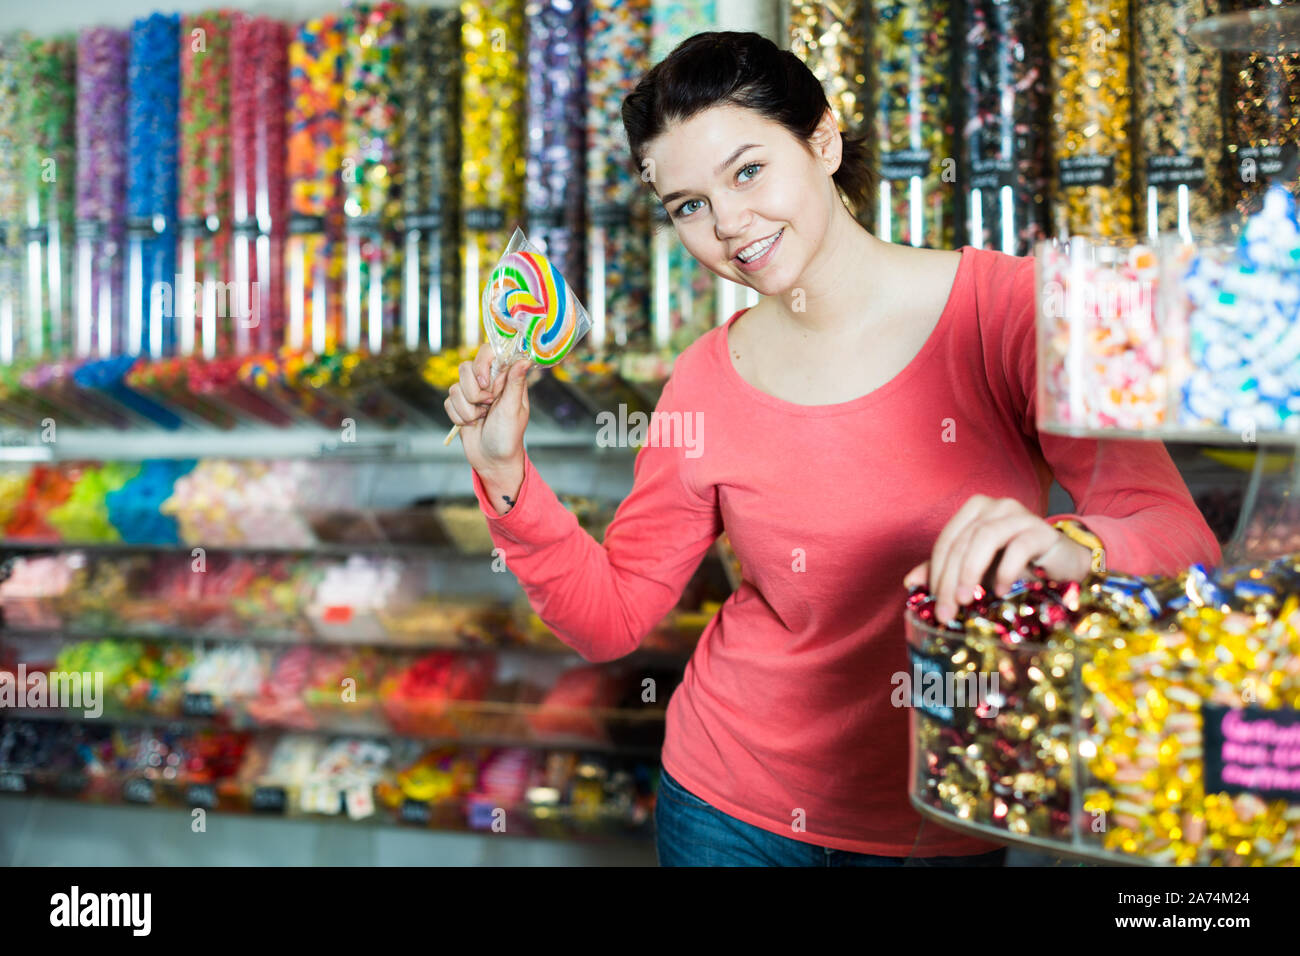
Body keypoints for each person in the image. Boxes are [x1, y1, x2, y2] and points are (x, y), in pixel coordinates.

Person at [443, 31, 1221, 866]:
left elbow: (1179, 536)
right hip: (726, 808)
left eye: (748, 171)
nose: (729, 225)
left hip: (939, 813)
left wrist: (1071, 543)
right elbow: (613, 617)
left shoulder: (1010, 312)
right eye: (688, 205)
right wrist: (502, 471)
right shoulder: (704, 379)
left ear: (823, 140)